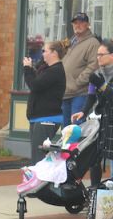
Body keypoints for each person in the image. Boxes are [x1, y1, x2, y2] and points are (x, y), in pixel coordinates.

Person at [72, 40, 113, 187]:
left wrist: (102, 85)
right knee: (95, 157)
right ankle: (95, 190)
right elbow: (91, 96)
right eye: (97, 55)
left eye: (102, 55)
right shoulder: (96, 74)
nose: (98, 58)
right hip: (101, 120)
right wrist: (83, 111)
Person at [22, 41, 65, 165]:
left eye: (45, 51)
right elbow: (38, 83)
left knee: (39, 158)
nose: (42, 54)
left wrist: (27, 69)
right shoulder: (48, 69)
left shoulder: (55, 70)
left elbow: (35, 85)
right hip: (38, 118)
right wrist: (31, 69)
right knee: (37, 156)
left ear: (54, 53)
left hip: (47, 118)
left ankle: (42, 178)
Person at [62, 12, 101, 126]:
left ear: (88, 24)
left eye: (81, 22)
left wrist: (77, 82)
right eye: (75, 23)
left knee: (76, 128)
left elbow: (93, 66)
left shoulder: (93, 43)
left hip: (80, 93)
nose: (77, 25)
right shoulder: (72, 41)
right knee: (66, 130)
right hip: (66, 93)